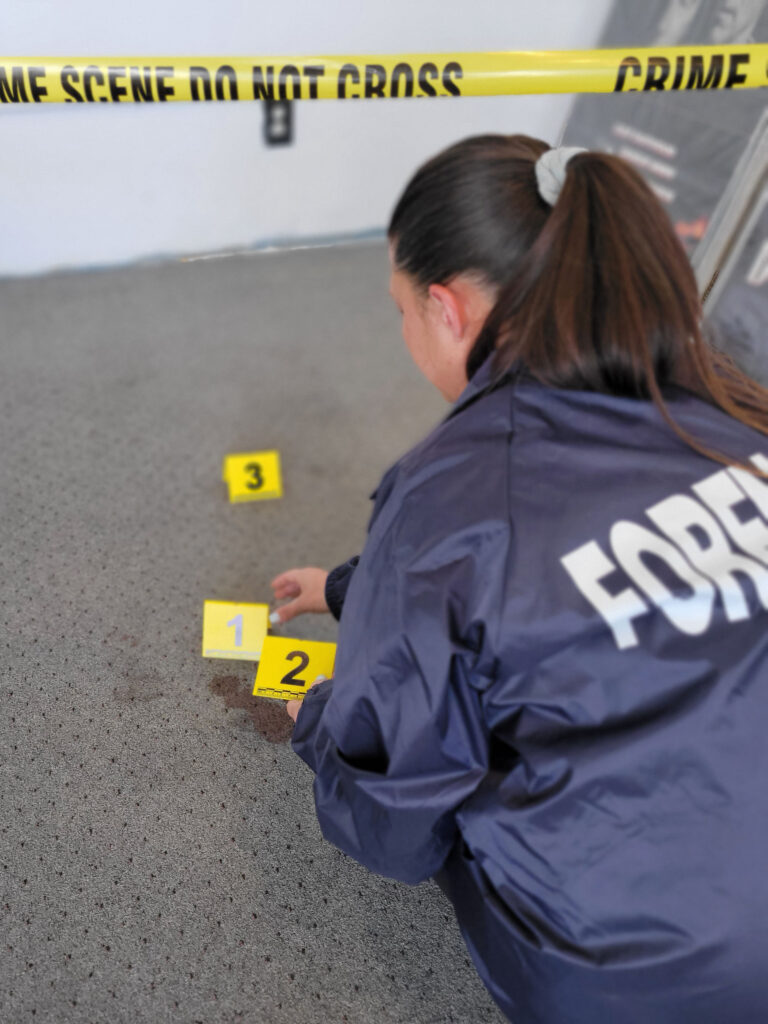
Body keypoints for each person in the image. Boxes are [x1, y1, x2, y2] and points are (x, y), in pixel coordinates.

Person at [269, 135, 768, 1023]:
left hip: (642, 978)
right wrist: (360, 589)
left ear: (447, 309)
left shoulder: (447, 491)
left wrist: (319, 719)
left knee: (453, 773)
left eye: (400, 311)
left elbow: (391, 823)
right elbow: (565, 576)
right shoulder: (733, 403)